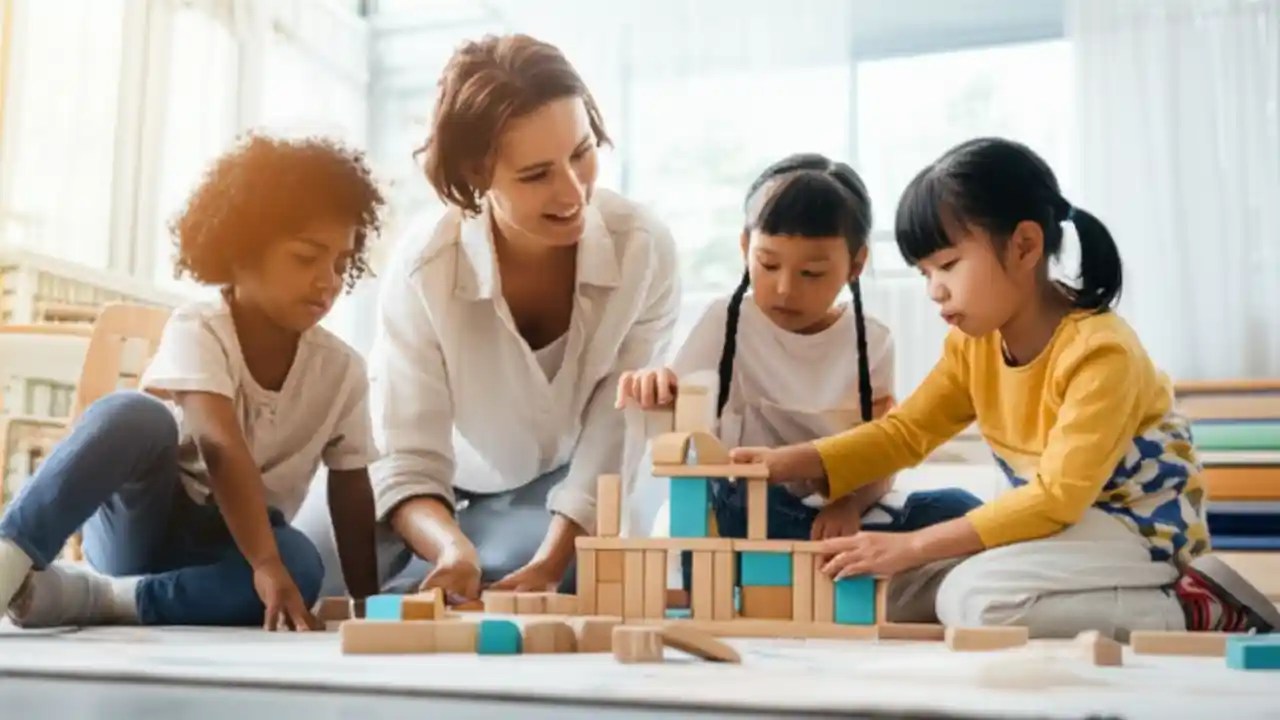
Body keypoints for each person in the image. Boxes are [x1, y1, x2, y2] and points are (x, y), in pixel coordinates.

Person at [732, 137, 1280, 638]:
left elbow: (1057, 498)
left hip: (1139, 529)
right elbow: (904, 434)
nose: (935, 290)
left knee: (976, 602)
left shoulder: (1100, 350)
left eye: (947, 264)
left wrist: (911, 544)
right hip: (1065, 525)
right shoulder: (974, 345)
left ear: (1023, 246)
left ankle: (1195, 607)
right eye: (925, 273)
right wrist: (786, 462)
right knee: (898, 590)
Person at [294, 33, 679, 600]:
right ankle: (442, 561)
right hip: (426, 491)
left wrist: (550, 563)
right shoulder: (427, 266)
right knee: (311, 570)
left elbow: (612, 435)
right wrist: (451, 547)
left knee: (554, 571)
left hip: (549, 490)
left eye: (582, 152)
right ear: (478, 173)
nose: (574, 191)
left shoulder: (644, 249)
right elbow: (408, 452)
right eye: (536, 174)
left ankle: (454, 567)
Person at [0, 134, 384, 629]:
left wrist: (370, 602)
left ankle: (102, 599)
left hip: (232, 546)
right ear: (242, 252)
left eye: (341, 263)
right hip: (144, 524)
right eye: (306, 258)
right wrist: (265, 565)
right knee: (133, 415)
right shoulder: (197, 327)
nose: (329, 280)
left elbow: (351, 488)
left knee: (303, 568)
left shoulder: (343, 371)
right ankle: (11, 558)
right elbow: (219, 445)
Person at [617, 154, 980, 560]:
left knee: (959, 509)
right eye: (768, 264)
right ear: (744, 247)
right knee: (727, 498)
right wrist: (652, 385)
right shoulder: (727, 321)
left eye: (812, 273)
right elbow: (677, 410)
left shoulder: (871, 342)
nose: (785, 289)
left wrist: (850, 504)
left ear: (856, 265)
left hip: (833, 512)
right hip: (746, 509)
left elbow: (884, 452)